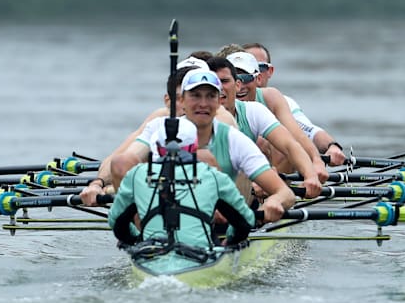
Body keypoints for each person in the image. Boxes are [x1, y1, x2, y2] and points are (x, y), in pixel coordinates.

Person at [108, 69, 297, 222]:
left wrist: (273, 203)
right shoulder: (160, 128)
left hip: (219, 223)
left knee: (203, 159)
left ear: (218, 101)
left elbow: (285, 193)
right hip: (164, 215)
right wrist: (98, 184)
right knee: (121, 163)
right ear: (181, 100)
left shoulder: (233, 138)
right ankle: (139, 235)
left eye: (210, 96)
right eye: (196, 96)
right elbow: (126, 161)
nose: (203, 104)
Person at [107, 117, 255, 250]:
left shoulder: (136, 175)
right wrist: (230, 241)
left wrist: (136, 240)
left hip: (151, 255)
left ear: (158, 147)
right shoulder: (213, 176)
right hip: (200, 257)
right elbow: (245, 222)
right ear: (195, 146)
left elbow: (117, 223)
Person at [204, 55, 323, 199]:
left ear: (237, 85)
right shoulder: (192, 120)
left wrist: (310, 175)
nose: (220, 87)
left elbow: (290, 145)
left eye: (225, 81)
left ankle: (269, 200)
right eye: (214, 82)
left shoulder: (253, 111)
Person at [222, 50, 339, 172]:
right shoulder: (214, 104)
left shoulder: (273, 98)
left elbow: (299, 133)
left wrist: (317, 159)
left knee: (278, 141)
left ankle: (274, 185)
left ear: (258, 78)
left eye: (246, 77)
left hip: (267, 169)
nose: (240, 86)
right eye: (234, 79)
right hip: (232, 167)